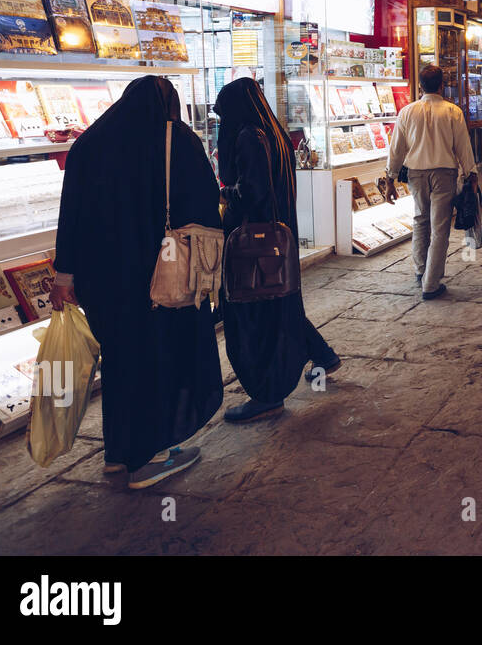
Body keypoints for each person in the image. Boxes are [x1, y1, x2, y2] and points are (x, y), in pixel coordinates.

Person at [50, 76, 222, 489]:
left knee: (121, 361)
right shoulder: (177, 140)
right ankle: (149, 457)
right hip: (158, 279)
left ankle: (119, 453)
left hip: (102, 284)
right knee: (159, 359)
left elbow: (69, 216)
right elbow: (203, 209)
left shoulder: (88, 145)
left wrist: (64, 275)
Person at [216, 78, 340, 424]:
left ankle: (268, 395)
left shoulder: (247, 137)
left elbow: (252, 192)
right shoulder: (273, 133)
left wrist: (225, 195)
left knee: (261, 315)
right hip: (277, 237)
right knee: (280, 302)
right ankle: (323, 356)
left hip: (254, 244)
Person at [383, 63, 477, 300]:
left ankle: (421, 271)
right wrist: (471, 174)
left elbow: (396, 149)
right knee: (439, 228)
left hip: (415, 173)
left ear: (420, 86)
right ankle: (431, 284)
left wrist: (390, 179)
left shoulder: (407, 112)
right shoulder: (452, 111)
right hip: (443, 173)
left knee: (420, 221)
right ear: (442, 86)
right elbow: (463, 147)